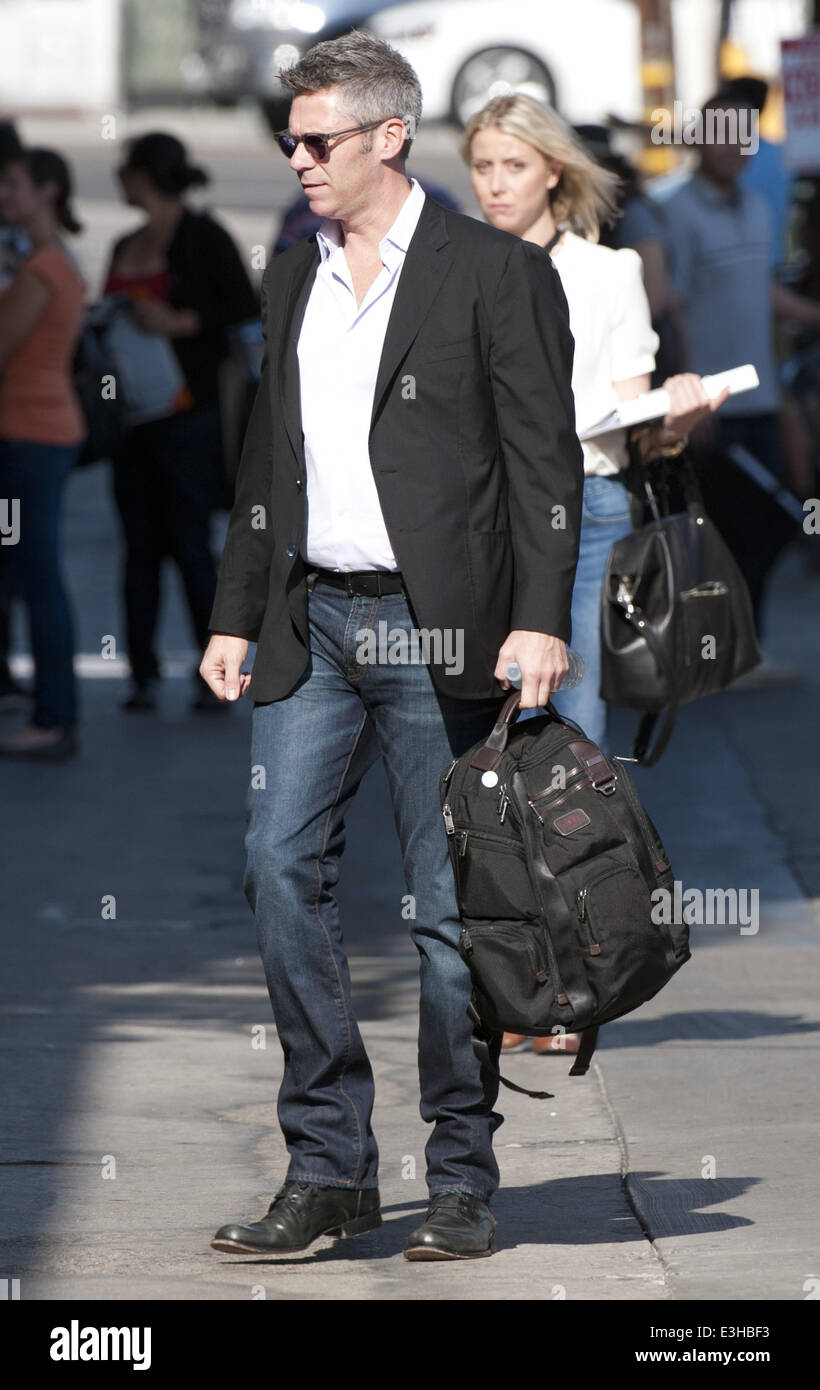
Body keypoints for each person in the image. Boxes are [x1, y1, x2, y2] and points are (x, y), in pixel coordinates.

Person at [199, 31, 584, 1261]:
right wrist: (229, 607)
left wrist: (542, 615)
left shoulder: (487, 270)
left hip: (444, 628)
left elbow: (543, 461)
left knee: (445, 911)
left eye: (318, 140)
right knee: (272, 868)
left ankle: (461, 1172)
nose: (298, 159)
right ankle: (330, 1167)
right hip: (310, 616)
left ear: (387, 136)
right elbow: (269, 457)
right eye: (290, 139)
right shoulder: (291, 271)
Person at [461, 94, 721, 1057]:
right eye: (482, 165)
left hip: (587, 511)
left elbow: (630, 420)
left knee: (570, 753)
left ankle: (577, 986)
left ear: (554, 174)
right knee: (485, 751)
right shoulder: (456, 264)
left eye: (512, 166)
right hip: (482, 527)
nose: (493, 184)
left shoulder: (607, 273)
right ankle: (513, 974)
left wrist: (680, 410)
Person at [102, 133, 259, 713]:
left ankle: (211, 672)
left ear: (147, 177)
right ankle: (140, 673)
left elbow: (243, 307)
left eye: (128, 171)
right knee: (139, 546)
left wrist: (179, 320)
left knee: (191, 545)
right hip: (132, 418)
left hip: (189, 414)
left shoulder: (203, 236)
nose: (120, 181)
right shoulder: (124, 242)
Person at [0, 147, 86, 760]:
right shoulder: (54, 262)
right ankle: (48, 710)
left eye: (12, 184)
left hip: (29, 433)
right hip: (39, 431)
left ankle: (54, 716)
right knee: (27, 572)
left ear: (47, 191)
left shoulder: (41, 271)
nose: (3, 194)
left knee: (37, 575)